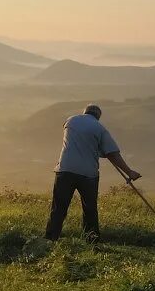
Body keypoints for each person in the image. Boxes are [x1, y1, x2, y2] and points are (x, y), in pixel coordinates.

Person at [44, 104, 141, 243]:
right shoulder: (100, 128)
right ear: (98, 117)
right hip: (88, 174)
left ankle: (50, 238)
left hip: (65, 170)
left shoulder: (70, 121)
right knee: (90, 208)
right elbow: (113, 153)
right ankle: (91, 240)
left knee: (59, 207)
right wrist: (129, 172)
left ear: (85, 112)